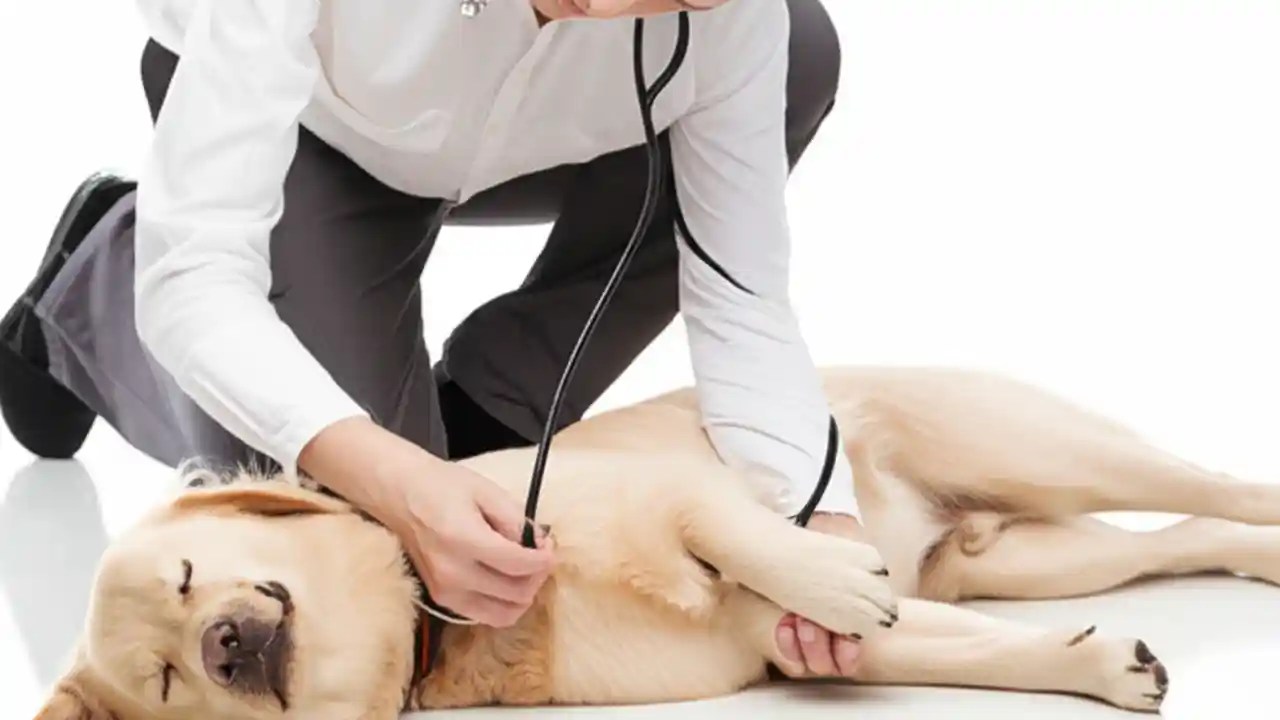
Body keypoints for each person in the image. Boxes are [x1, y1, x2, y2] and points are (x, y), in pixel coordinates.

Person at [1, 0, 863, 678]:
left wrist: (822, 528)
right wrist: (397, 479)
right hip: (303, 121)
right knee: (350, 522)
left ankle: (484, 414)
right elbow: (195, 281)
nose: (602, 6)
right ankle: (102, 275)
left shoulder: (734, 15)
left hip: (532, 140)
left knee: (801, 49)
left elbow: (743, 295)